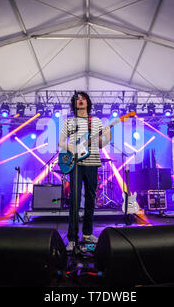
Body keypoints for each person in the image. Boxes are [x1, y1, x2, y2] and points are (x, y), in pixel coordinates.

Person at [59, 92, 111, 251]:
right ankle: (72, 239)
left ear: (88, 102)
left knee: (90, 198)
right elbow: (61, 142)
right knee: (74, 200)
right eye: (77, 99)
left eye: (82, 99)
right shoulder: (69, 121)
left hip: (93, 162)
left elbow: (101, 145)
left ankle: (87, 233)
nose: (80, 101)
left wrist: (107, 136)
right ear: (74, 104)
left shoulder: (96, 121)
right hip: (75, 164)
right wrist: (70, 147)